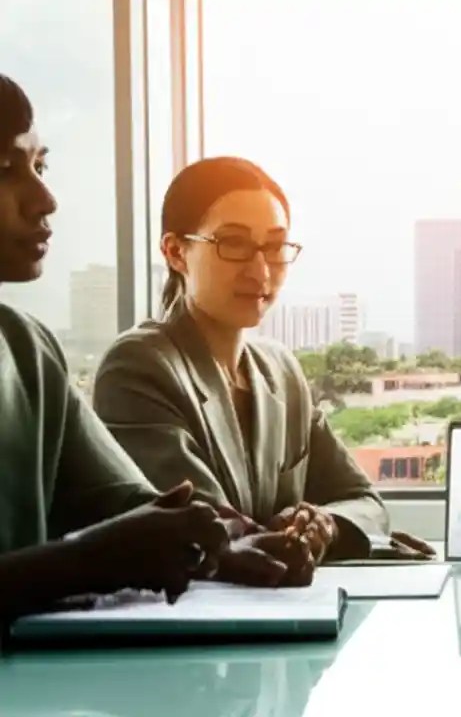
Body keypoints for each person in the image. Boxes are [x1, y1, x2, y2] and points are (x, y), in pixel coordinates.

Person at [0, 72, 292, 615]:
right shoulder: (138, 363)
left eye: (41, 167)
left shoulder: (27, 348)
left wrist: (221, 545)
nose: (45, 199)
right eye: (6, 172)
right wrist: (82, 561)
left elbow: (129, 506)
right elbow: (107, 543)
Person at [92, 157, 418, 566]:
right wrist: (308, 533)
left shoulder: (282, 371)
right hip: (191, 619)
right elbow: (202, 529)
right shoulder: (139, 367)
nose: (260, 270)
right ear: (176, 252)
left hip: (286, 611)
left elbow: (365, 502)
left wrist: (326, 525)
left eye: (275, 246)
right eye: (233, 243)